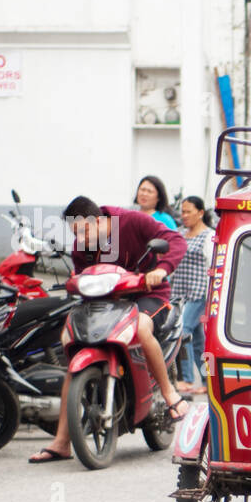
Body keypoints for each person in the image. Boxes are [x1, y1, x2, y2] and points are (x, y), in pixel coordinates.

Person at [28, 198, 188, 463]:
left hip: (148, 296)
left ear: (100, 220)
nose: (81, 238)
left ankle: (170, 393)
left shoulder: (133, 221)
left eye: (85, 231)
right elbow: (82, 277)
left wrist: (161, 269)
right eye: (76, 233)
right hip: (106, 303)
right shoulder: (83, 247)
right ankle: (62, 442)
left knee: (142, 326)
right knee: (73, 350)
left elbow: (176, 241)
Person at [174, 196, 214, 395]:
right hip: (180, 291)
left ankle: (188, 379)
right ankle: (210, 381)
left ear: (200, 213)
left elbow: (213, 265)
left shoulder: (209, 236)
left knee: (183, 331)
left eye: (189, 211)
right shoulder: (180, 234)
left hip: (199, 292)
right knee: (201, 343)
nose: (184, 215)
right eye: (183, 211)